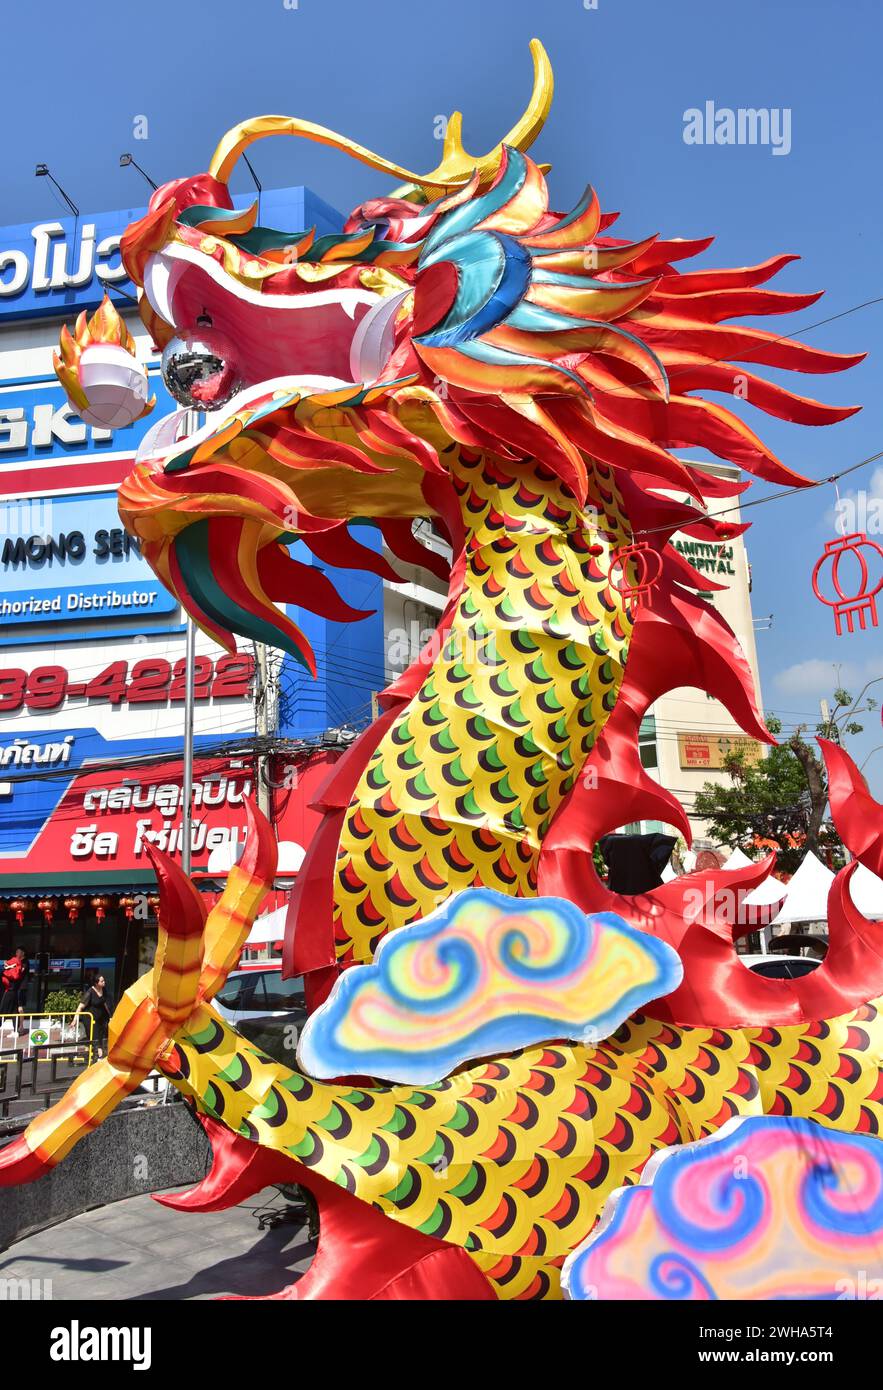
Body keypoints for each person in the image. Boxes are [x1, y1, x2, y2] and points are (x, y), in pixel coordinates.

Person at [74, 974, 112, 1058]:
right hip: (90, 1019)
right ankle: (99, 1056)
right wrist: (74, 1020)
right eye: (102, 981)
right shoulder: (90, 992)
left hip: (101, 1019)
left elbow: (105, 1004)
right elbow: (80, 1007)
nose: (104, 982)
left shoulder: (104, 990)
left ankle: (88, 1055)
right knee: (96, 1038)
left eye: (104, 980)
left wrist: (110, 1016)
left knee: (100, 1037)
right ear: (96, 983)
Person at [0, 949, 26, 1019]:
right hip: (14, 991)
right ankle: (17, 1025)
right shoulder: (19, 965)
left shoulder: (15, 964)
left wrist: (5, 970)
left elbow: (13, 975)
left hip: (10, 990)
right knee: (14, 1011)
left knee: (3, 1011)